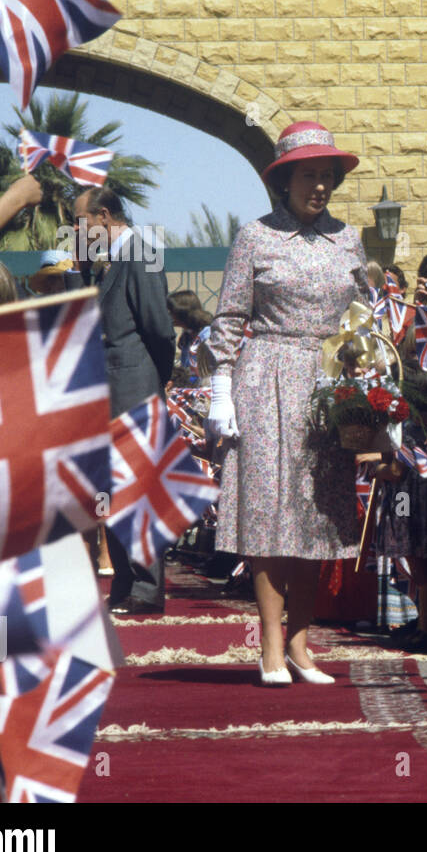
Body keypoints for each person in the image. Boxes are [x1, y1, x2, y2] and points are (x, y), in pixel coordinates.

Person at [203, 121, 365, 686]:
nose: (320, 187)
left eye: (328, 177)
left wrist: (369, 382)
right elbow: (228, 318)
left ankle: (301, 641)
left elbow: (363, 317)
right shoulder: (255, 236)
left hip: (328, 384)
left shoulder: (349, 238)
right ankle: (269, 643)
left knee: (316, 515)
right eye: (310, 176)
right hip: (266, 377)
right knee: (270, 514)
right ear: (285, 180)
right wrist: (220, 389)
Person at [73, 185, 176, 615]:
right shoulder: (103, 263)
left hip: (134, 387)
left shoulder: (142, 254)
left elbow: (160, 331)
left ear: (103, 216)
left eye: (80, 222)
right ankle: (125, 583)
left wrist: (155, 379)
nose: (75, 231)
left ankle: (148, 589)